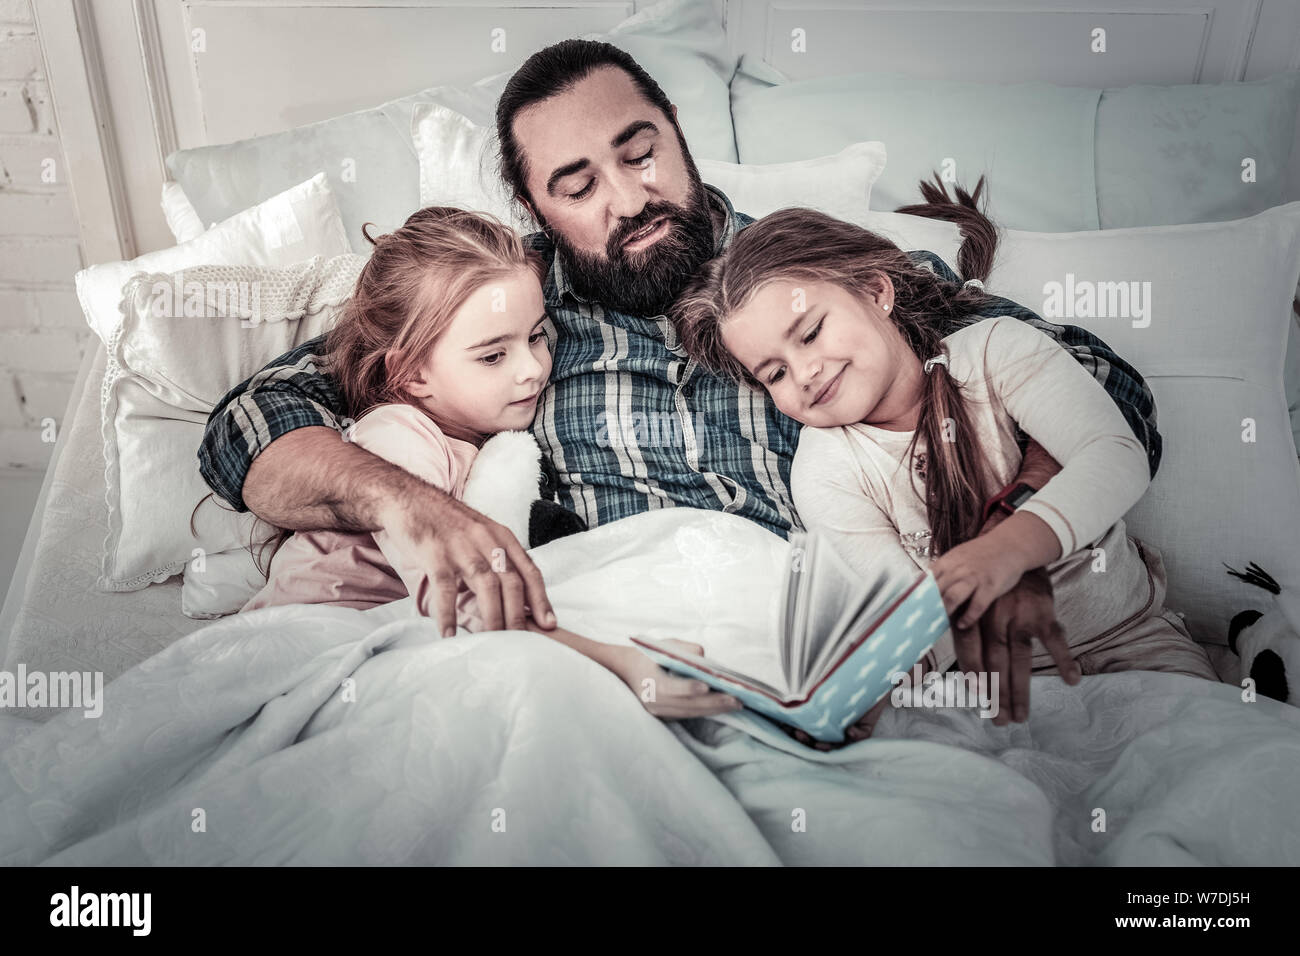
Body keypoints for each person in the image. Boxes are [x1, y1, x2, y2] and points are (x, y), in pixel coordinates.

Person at [199, 39, 1166, 725]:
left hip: (823, 651)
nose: (629, 199)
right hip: (632, 667)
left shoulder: (805, 272)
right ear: (535, 205)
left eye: (640, 150)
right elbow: (249, 421)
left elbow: (1096, 379)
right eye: (576, 185)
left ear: (677, 134)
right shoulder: (506, 314)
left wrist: (1013, 537)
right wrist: (409, 506)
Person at [672, 183, 1217, 736]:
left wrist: (1005, 550)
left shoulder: (995, 352)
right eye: (776, 373)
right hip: (989, 692)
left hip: (1131, 641)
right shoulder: (824, 471)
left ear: (876, 291)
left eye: (810, 333)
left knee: (1210, 762)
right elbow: (911, 614)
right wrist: (862, 692)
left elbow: (1115, 455)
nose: (805, 371)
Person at [242, 205, 742, 721]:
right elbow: (463, 605)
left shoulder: (487, 438)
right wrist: (619, 665)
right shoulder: (397, 437)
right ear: (413, 375)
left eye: (536, 336)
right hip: (319, 641)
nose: (531, 370)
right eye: (492, 356)